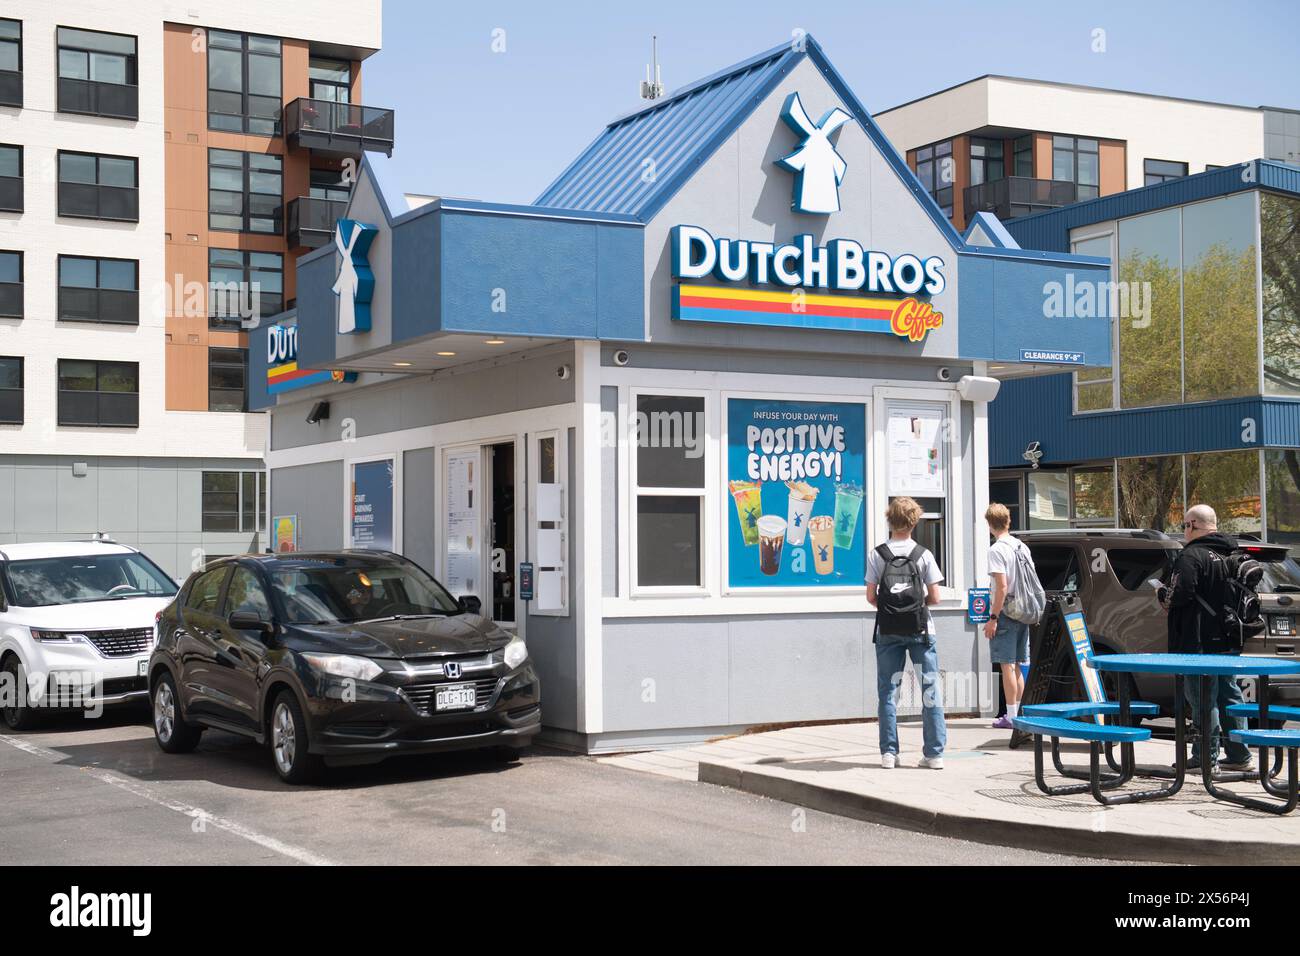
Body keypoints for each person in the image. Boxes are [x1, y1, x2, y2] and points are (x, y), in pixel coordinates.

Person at [1163, 504, 1254, 772]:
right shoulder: (1233, 552)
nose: (1184, 530)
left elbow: (1180, 594)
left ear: (1191, 525)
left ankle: (1205, 757)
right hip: (1229, 640)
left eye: (1184, 525)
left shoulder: (1192, 555)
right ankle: (1240, 756)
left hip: (1198, 642)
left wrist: (1162, 595)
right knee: (1229, 695)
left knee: (1203, 699)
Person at [866, 496, 946, 769]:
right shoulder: (923, 554)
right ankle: (934, 754)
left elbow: (870, 596)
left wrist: (892, 608)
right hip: (921, 629)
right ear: (914, 521)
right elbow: (935, 597)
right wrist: (913, 604)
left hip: (887, 630)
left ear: (890, 519)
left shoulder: (877, 554)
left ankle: (889, 753)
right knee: (930, 689)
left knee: (888, 692)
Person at [984, 503, 1030, 730]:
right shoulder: (1021, 546)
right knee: (1018, 665)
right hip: (1024, 609)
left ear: (990, 524)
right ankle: (1020, 715)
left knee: (1006, 665)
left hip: (1007, 611)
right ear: (1008, 521)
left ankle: (1011, 716)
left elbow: (1001, 586)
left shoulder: (997, 550)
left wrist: (993, 617)